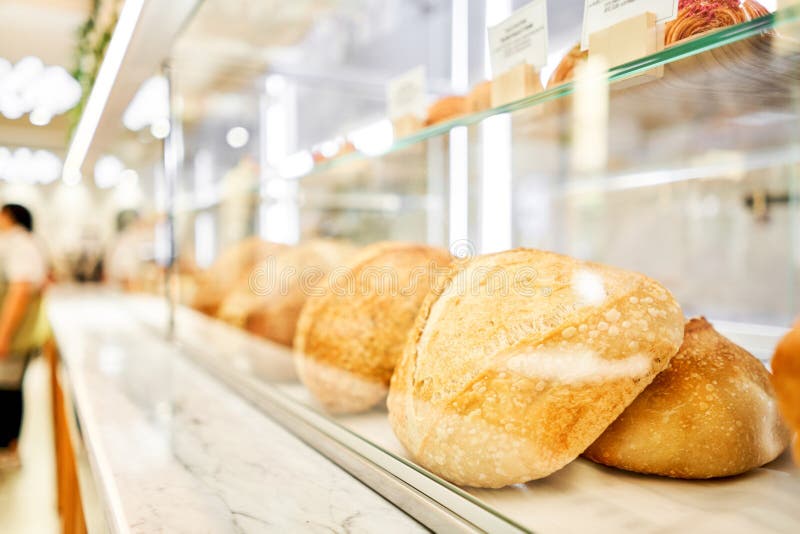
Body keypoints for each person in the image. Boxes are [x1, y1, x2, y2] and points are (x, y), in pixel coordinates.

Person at [0, 204, 49, 469]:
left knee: (7, 389)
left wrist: (3, 334)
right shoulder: (19, 244)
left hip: (14, 334)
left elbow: (19, 291)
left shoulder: (20, 245)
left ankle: (8, 447)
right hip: (13, 332)